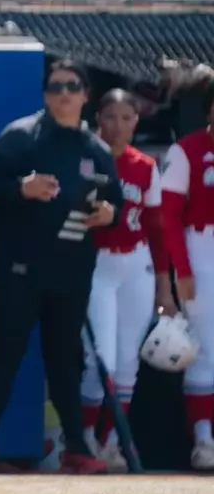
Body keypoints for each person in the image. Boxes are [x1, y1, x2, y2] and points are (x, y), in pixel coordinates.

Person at [0, 60, 119, 475]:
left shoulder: (97, 149)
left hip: (71, 271)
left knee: (66, 361)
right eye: (55, 87)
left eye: (71, 87)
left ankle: (77, 448)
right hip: (19, 268)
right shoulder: (21, 136)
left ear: (85, 94)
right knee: (7, 355)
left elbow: (116, 203)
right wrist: (22, 187)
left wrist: (109, 213)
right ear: (45, 95)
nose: (63, 94)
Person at [80, 90, 168, 471]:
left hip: (136, 263)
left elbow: (157, 229)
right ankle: (83, 441)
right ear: (98, 118)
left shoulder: (145, 166)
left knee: (128, 361)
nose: (118, 125)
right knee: (100, 359)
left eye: (126, 117)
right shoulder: (85, 158)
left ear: (136, 121)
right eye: (111, 117)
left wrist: (165, 285)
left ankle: (112, 443)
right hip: (97, 263)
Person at [157, 77, 214, 469]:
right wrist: (183, 268)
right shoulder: (187, 150)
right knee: (205, 348)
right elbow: (168, 215)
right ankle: (204, 440)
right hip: (203, 248)